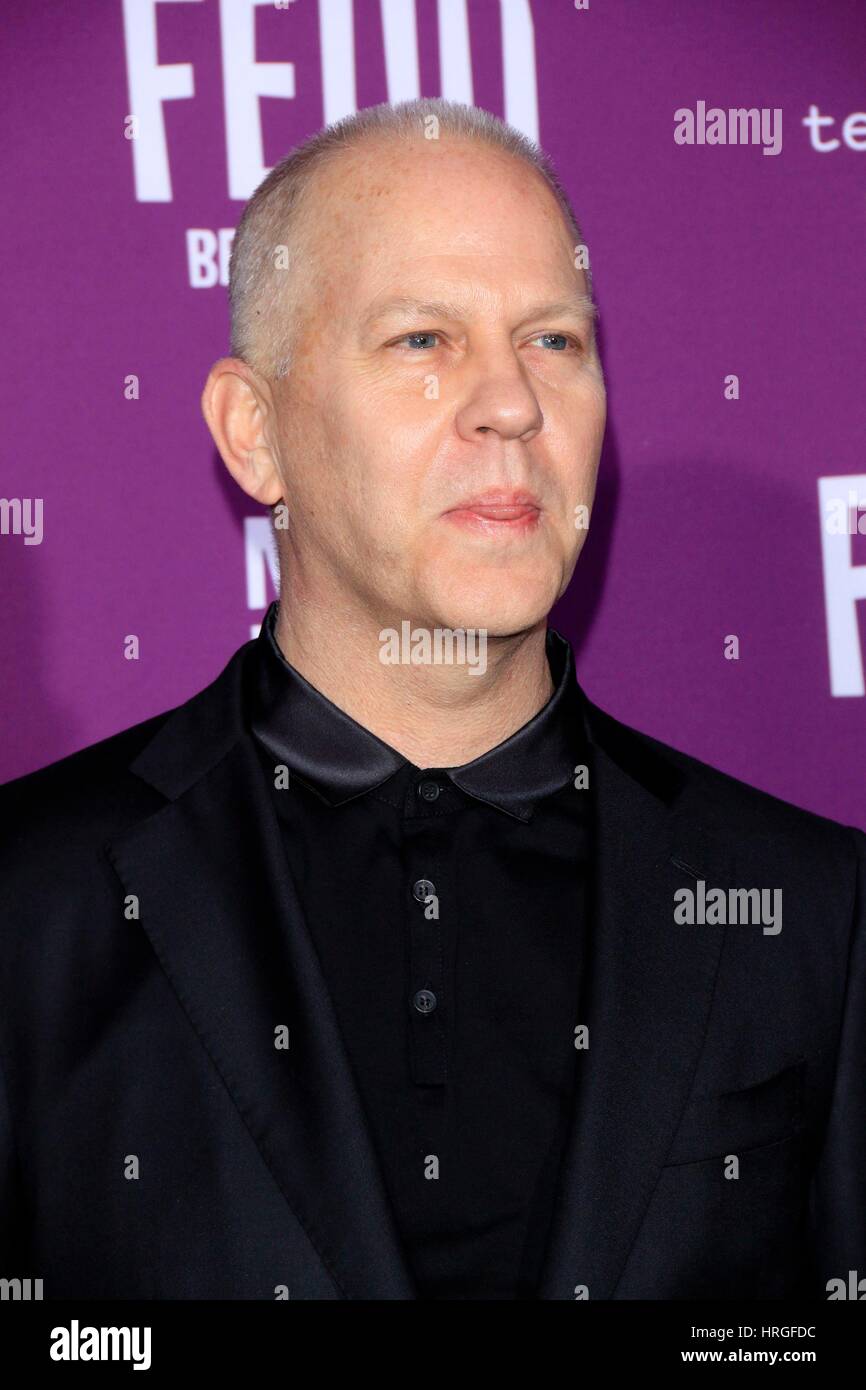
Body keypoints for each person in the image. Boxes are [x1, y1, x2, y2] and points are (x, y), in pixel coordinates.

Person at [0, 99, 863, 1300]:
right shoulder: (30, 904)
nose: (510, 404)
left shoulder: (811, 911)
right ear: (255, 435)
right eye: (422, 341)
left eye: (553, 341)